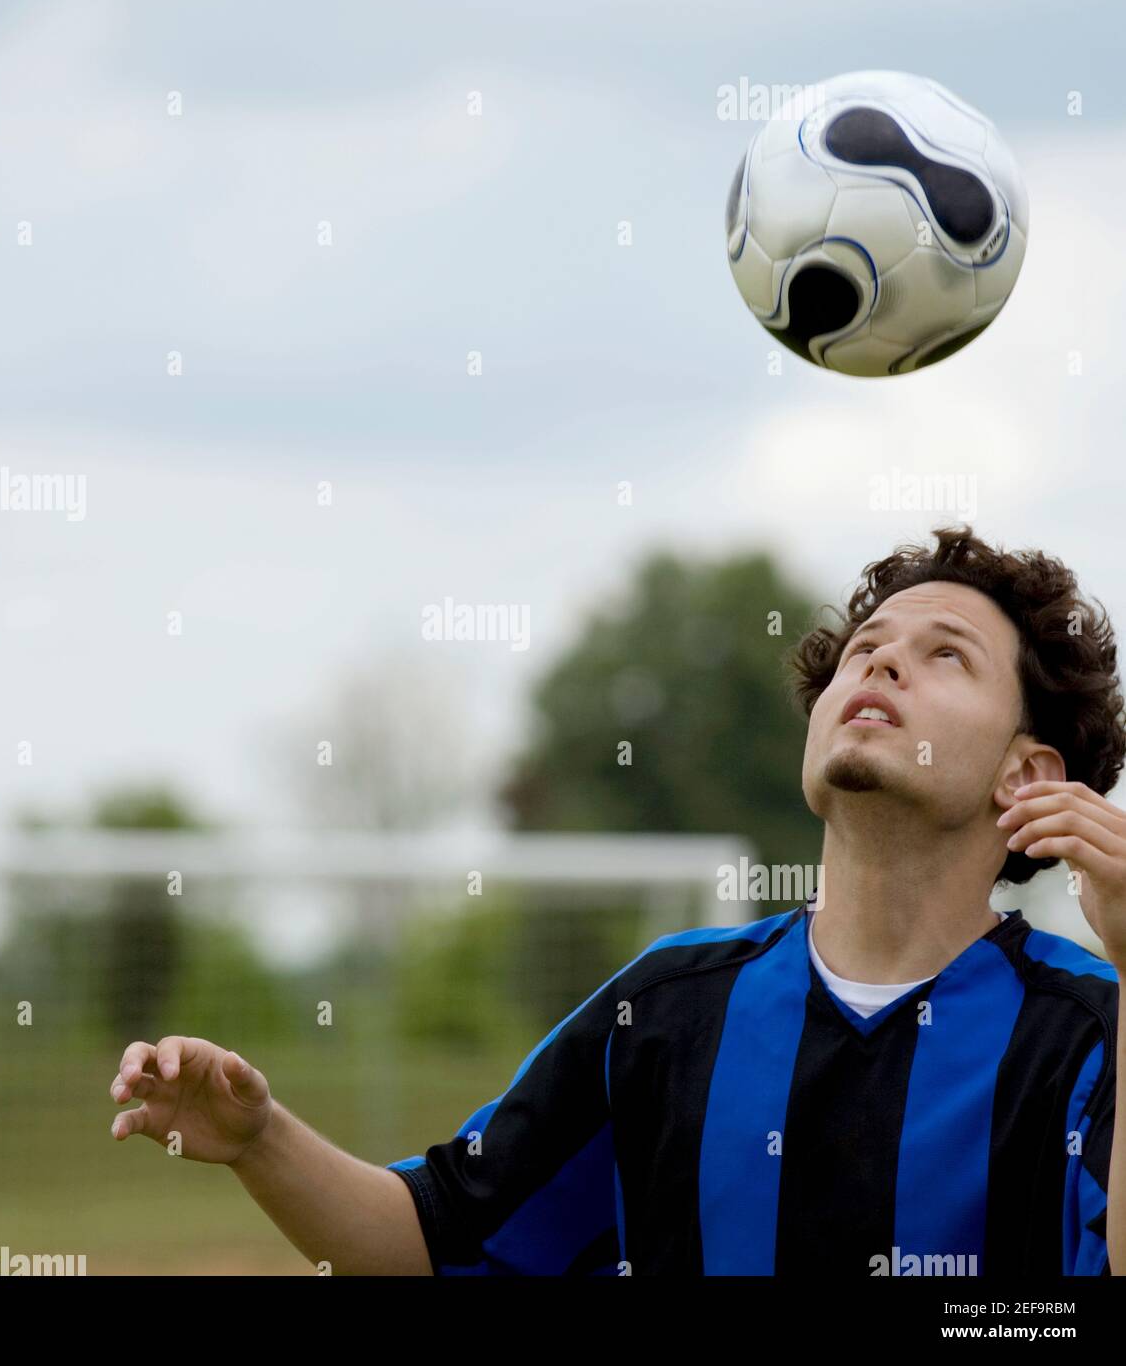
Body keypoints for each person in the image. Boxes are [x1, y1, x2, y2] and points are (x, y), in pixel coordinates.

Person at [108, 526, 1126, 1276]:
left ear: (1028, 777)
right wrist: (260, 1138)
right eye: (865, 646)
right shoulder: (667, 1011)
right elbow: (433, 1240)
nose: (882, 657)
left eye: (944, 651)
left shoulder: (1091, 1030)